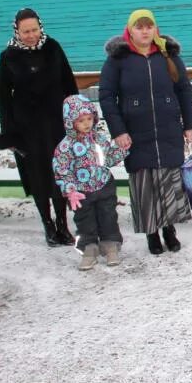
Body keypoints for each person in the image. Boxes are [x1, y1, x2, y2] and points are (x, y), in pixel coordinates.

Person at [99, 9, 192, 255]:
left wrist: (190, 125)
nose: (144, 31)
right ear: (130, 31)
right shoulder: (118, 59)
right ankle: (152, 234)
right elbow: (107, 96)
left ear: (155, 29)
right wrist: (118, 131)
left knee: (168, 182)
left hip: (167, 128)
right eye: (139, 27)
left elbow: (184, 90)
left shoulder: (168, 55)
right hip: (135, 131)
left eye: (149, 26)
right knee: (144, 184)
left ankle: (169, 230)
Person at [0, 8, 80, 246]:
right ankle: (48, 224)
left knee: (59, 174)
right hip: (27, 128)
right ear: (17, 32)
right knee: (38, 177)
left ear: (40, 28)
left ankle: (63, 224)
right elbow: (4, 96)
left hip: (56, 123)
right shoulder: (8, 56)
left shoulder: (53, 48)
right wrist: (10, 133)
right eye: (25, 31)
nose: (31, 35)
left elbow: (69, 82)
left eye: (34, 30)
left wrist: (76, 115)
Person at [52, 95, 128, 270]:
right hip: (81, 192)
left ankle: (111, 246)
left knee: (108, 217)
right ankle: (88, 250)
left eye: (89, 119)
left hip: (103, 185)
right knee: (85, 222)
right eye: (81, 121)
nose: (87, 124)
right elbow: (62, 170)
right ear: (71, 122)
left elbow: (107, 160)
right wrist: (70, 190)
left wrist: (122, 150)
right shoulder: (65, 147)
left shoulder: (99, 139)